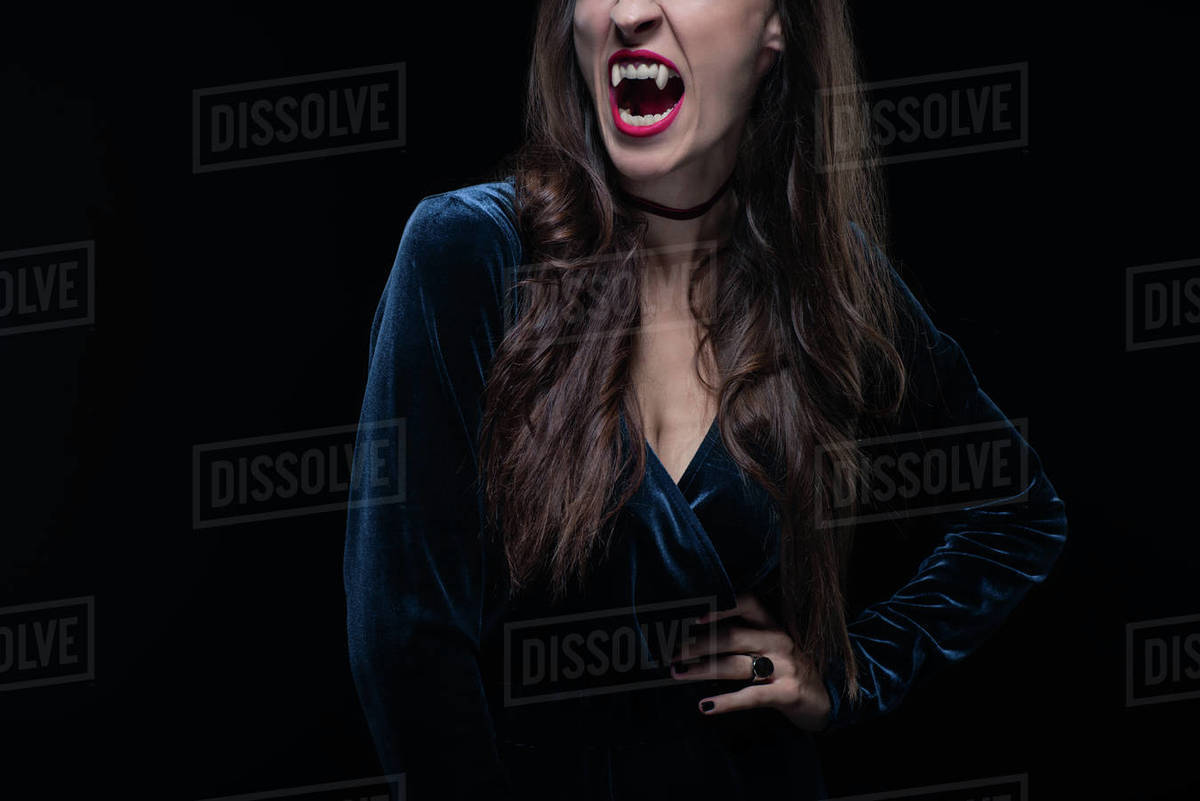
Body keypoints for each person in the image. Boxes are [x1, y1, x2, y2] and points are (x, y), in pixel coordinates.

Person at [344, 1, 1068, 798]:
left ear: (777, 31)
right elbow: (406, 647)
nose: (629, 12)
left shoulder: (823, 284)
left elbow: (1018, 510)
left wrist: (850, 674)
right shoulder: (469, 253)